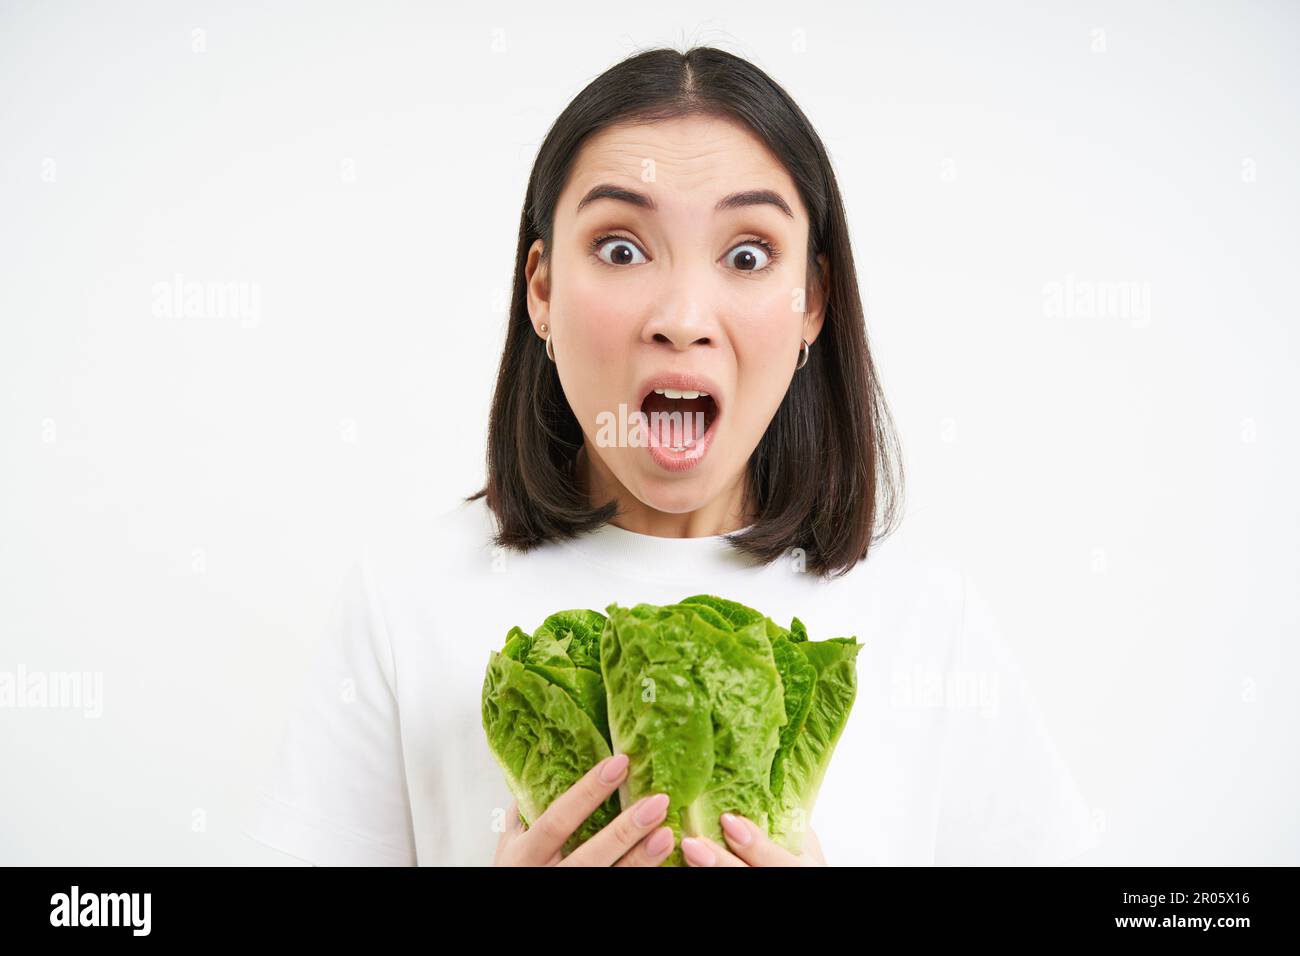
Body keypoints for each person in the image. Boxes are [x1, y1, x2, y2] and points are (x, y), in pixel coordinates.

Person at [243, 45, 1098, 867]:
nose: (683, 315)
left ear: (813, 303)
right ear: (541, 290)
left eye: (748, 254)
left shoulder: (928, 621)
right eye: (621, 249)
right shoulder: (405, 600)